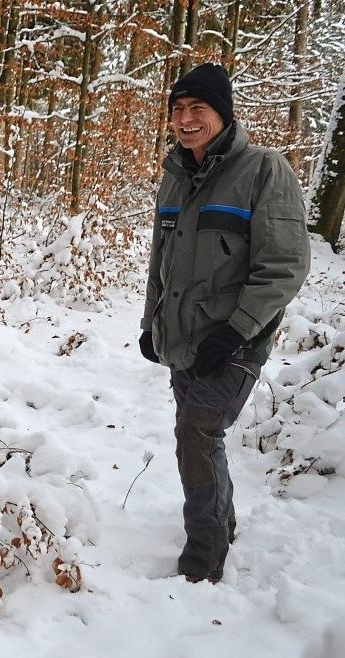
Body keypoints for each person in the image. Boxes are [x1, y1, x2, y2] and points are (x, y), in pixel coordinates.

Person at [138, 63, 310, 583]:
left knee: (197, 432)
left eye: (199, 109)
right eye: (178, 110)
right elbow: (160, 262)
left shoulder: (263, 170)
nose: (186, 119)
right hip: (183, 341)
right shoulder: (175, 175)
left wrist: (237, 330)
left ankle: (203, 560)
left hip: (236, 341)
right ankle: (223, 521)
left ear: (224, 114)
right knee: (198, 438)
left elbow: (284, 265)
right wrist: (152, 324)